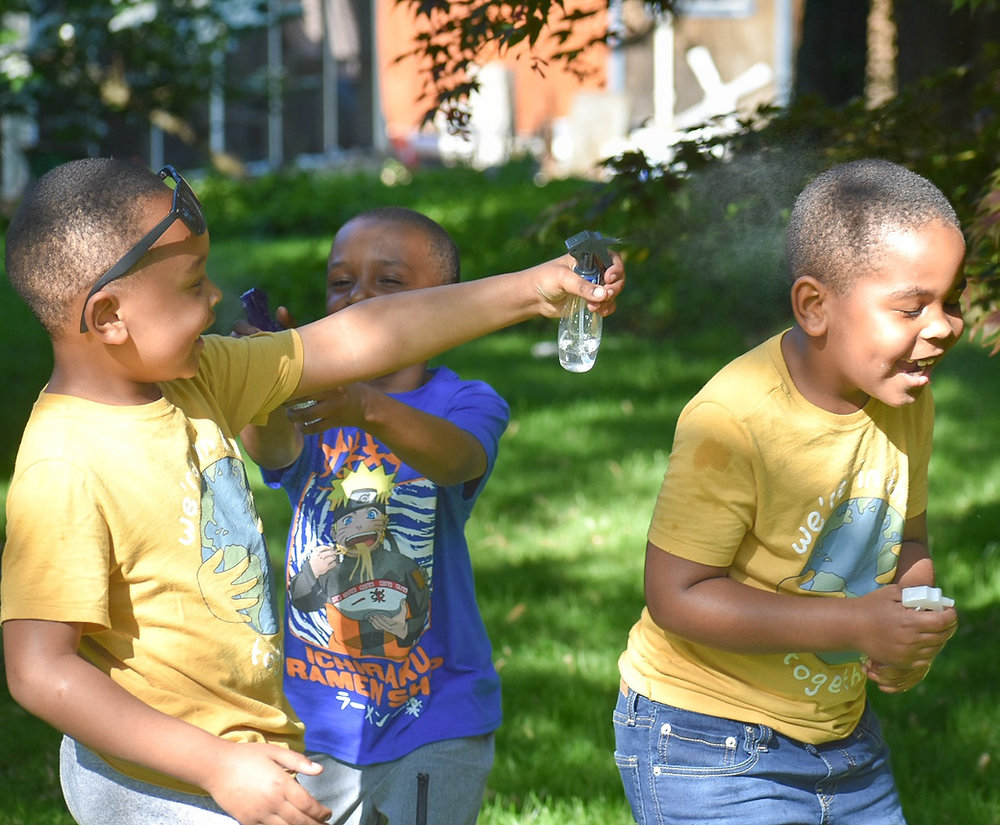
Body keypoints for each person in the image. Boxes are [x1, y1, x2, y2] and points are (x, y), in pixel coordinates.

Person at [0, 158, 624, 825]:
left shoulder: (198, 376)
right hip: (161, 779)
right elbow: (40, 670)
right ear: (109, 315)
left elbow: (359, 337)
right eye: (191, 283)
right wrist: (215, 764)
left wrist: (535, 289)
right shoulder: (65, 464)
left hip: (242, 755)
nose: (214, 297)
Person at [614, 158, 961, 825]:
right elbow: (677, 593)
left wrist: (912, 617)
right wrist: (858, 623)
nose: (943, 325)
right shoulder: (735, 419)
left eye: (953, 298)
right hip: (707, 737)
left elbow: (908, 536)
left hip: (842, 737)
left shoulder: (909, 400)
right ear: (814, 306)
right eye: (914, 306)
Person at [239, 207, 507, 825]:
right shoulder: (309, 405)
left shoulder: (466, 401)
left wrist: (365, 407)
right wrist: (271, 383)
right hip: (310, 717)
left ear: (443, 309)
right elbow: (271, 449)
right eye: (341, 282)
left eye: (389, 282)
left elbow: (458, 460)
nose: (359, 296)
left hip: (437, 714)